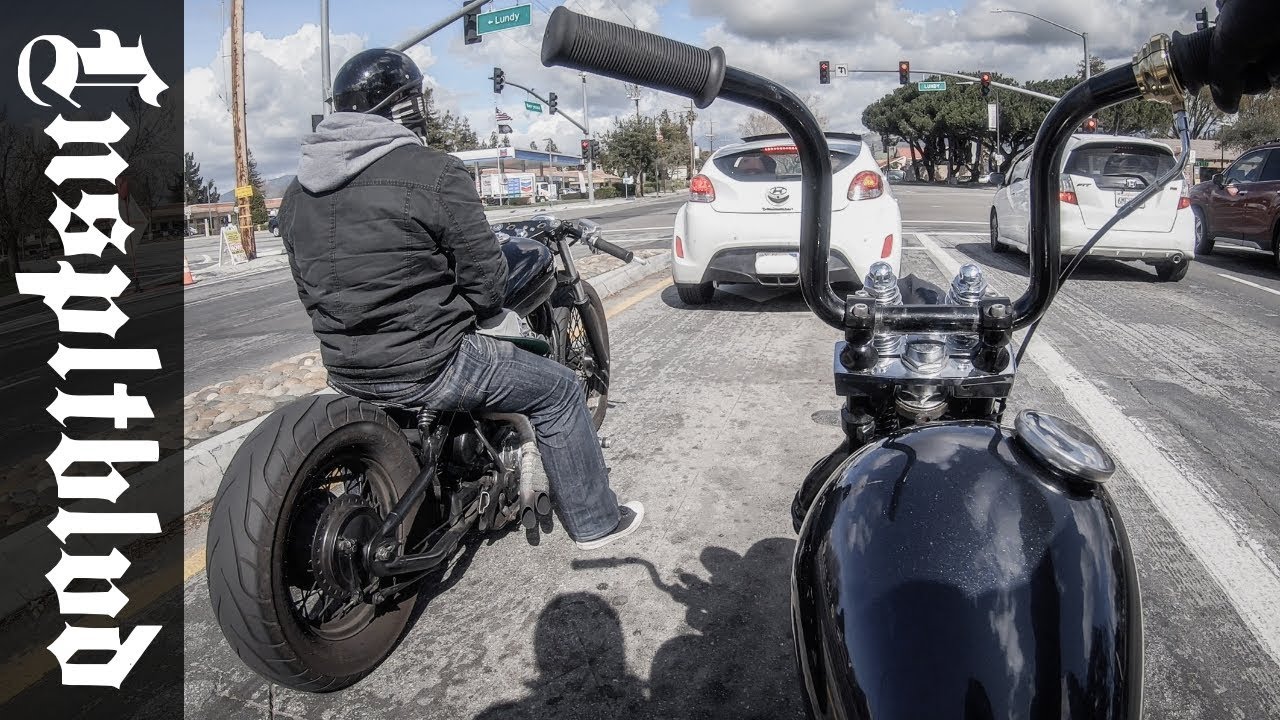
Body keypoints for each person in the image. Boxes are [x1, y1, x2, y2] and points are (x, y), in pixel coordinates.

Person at [277, 48, 642, 550]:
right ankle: (596, 522)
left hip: (345, 368)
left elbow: (309, 289)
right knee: (558, 390)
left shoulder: (297, 193)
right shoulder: (433, 171)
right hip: (433, 364)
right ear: (403, 107)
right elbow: (489, 289)